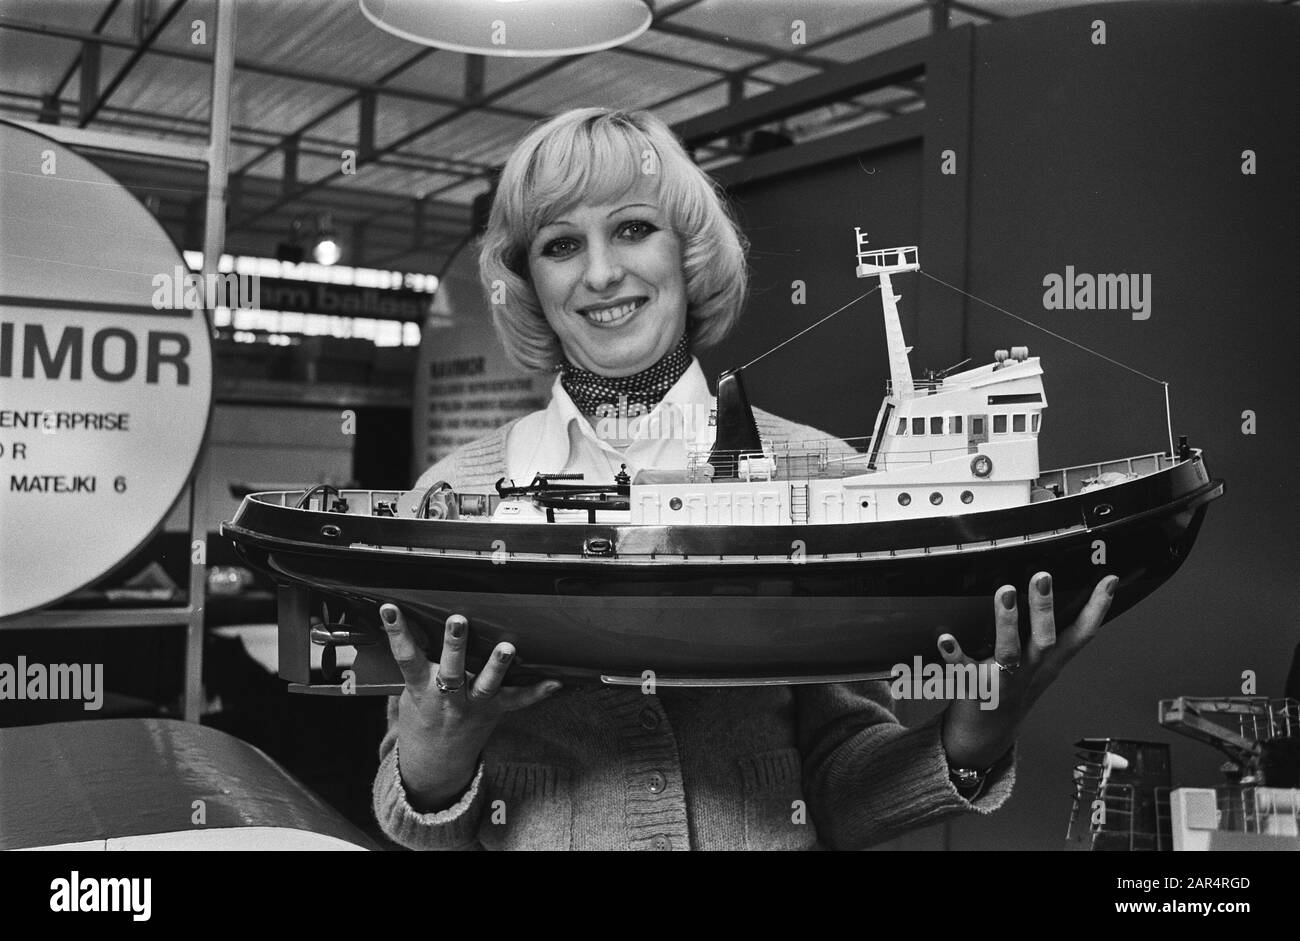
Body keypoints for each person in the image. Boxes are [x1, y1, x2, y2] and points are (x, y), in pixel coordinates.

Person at [372, 108, 1118, 850]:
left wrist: (972, 737)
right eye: (562, 244)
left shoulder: (833, 473)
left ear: (688, 251)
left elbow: (841, 788)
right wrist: (439, 752)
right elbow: (417, 808)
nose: (601, 273)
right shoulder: (450, 489)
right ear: (529, 281)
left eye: (633, 228)